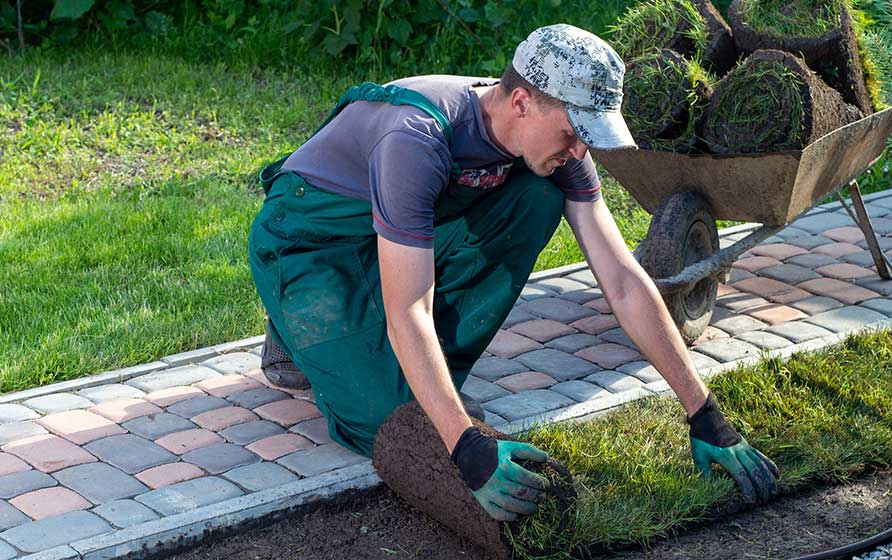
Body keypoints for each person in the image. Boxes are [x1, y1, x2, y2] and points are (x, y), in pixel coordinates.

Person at [248, 23, 779, 522]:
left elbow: (621, 278)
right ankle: (295, 331)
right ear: (522, 101)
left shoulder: (557, 145)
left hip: (390, 237)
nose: (580, 151)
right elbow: (409, 308)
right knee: (383, 422)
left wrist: (702, 410)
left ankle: (397, 367)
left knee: (537, 194)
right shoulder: (416, 137)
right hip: (311, 247)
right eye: (575, 132)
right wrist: (465, 446)